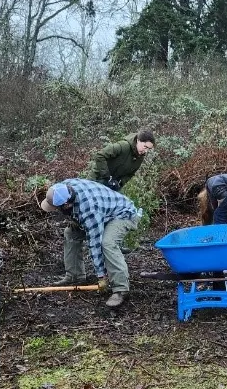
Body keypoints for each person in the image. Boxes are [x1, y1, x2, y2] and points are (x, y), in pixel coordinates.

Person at [41, 179, 142, 308]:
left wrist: (101, 276)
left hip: (123, 214)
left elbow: (95, 243)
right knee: (70, 232)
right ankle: (75, 275)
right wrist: (75, 219)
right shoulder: (63, 187)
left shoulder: (89, 210)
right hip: (104, 212)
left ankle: (121, 289)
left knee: (107, 243)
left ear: (66, 205)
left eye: (58, 208)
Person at [88, 129, 155, 192]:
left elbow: (130, 174)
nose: (146, 151)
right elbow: (100, 155)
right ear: (138, 140)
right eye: (145, 147)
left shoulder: (140, 157)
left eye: (148, 149)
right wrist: (107, 177)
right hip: (96, 179)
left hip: (111, 187)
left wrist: (119, 183)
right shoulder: (123, 146)